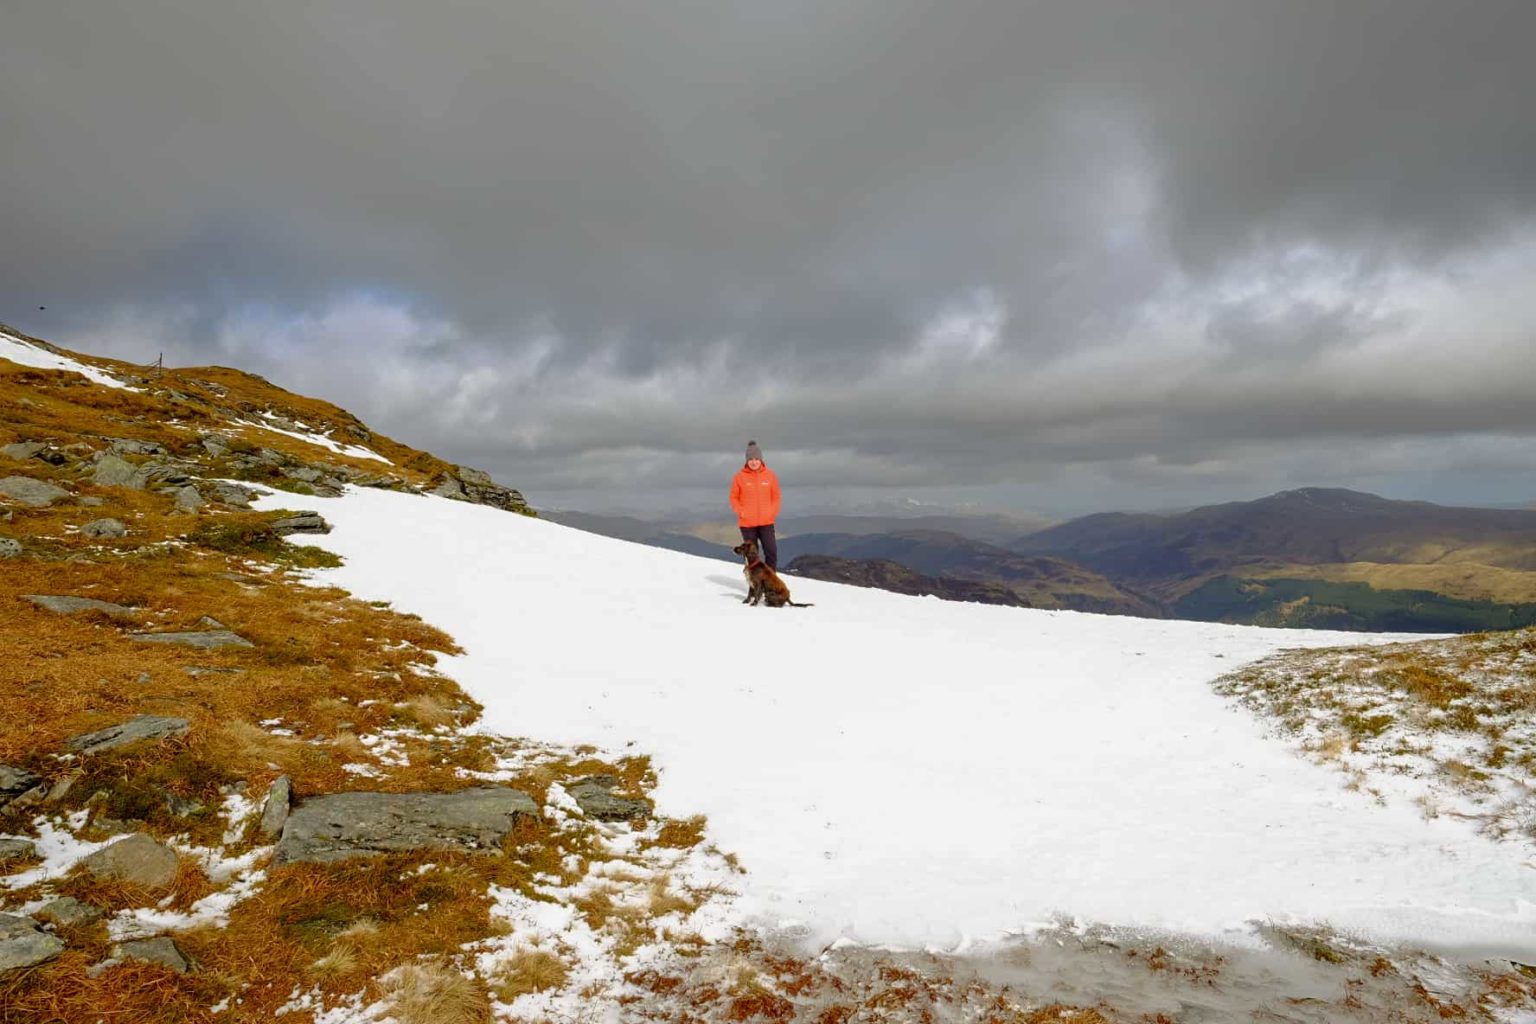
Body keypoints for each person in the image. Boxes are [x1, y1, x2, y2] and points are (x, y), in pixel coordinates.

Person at [730, 440, 781, 569]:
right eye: (751, 459)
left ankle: (770, 583)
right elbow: (733, 497)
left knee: (771, 552)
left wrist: (772, 512)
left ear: (761, 459)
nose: (754, 462)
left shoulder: (770, 476)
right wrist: (741, 512)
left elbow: (776, 496)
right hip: (747, 524)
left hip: (766, 522)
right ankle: (754, 585)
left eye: (756, 459)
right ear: (747, 460)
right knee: (752, 556)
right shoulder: (739, 477)